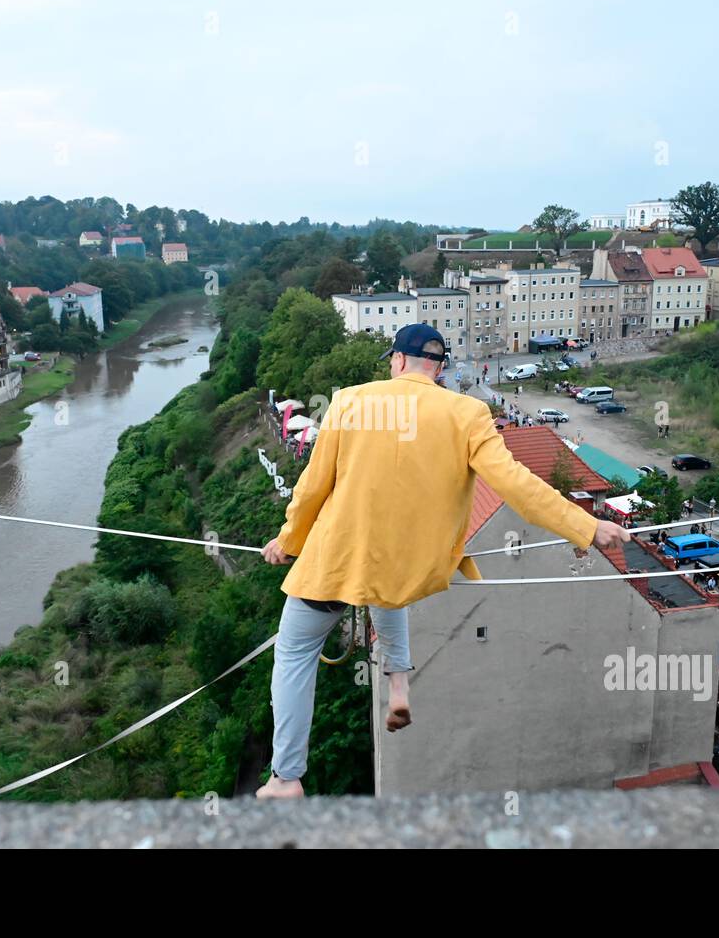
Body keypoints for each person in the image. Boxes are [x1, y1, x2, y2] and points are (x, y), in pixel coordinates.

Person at [257, 323, 631, 799]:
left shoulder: (350, 401)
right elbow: (518, 486)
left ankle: (286, 777)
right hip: (411, 567)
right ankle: (399, 688)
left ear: (397, 361)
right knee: (389, 588)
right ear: (438, 368)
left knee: (293, 655)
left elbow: (312, 488)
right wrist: (588, 527)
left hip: (336, 561)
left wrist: (288, 542)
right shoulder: (469, 413)